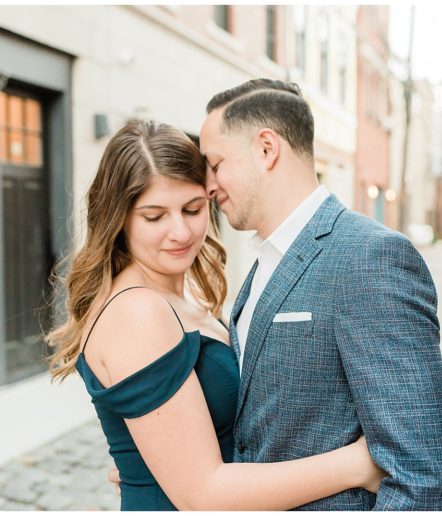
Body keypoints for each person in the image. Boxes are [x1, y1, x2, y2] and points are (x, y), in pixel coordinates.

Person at [46, 120, 385, 511]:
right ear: (118, 219)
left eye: (192, 209)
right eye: (154, 217)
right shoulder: (137, 311)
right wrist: (357, 464)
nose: (181, 232)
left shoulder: (176, 296)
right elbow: (203, 494)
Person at [195, 79, 442, 510]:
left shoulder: (369, 256)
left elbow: (424, 473)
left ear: (266, 149)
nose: (208, 184)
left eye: (216, 162)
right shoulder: (263, 260)